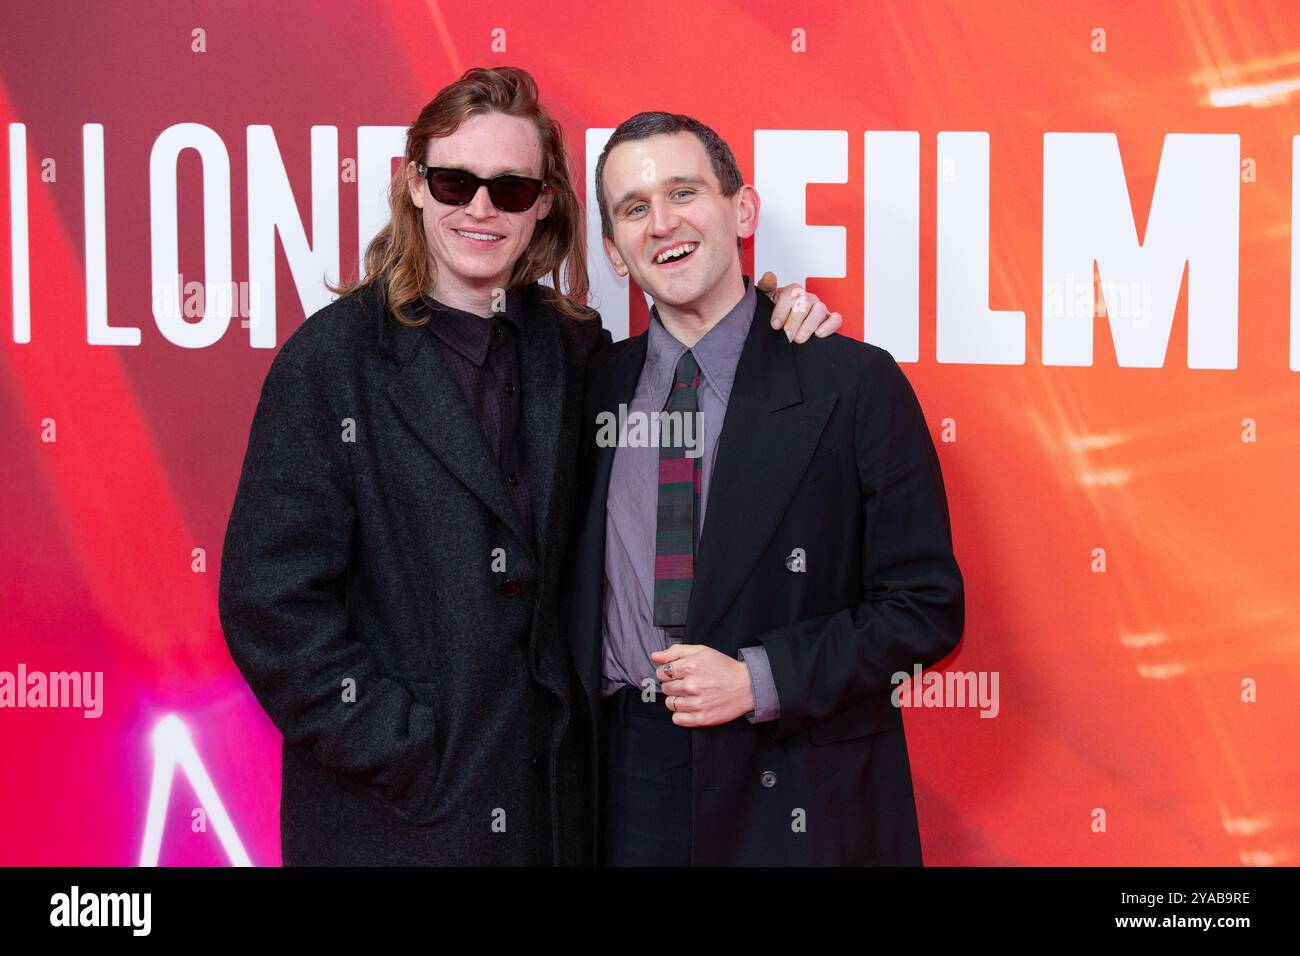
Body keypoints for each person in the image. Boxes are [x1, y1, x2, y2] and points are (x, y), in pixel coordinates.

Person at [216, 67, 841, 866]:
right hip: (395, 823)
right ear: (412, 186)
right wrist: (402, 747)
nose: (481, 208)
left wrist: (778, 319)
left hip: (555, 819)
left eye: (510, 189)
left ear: (543, 202)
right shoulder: (333, 362)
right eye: (455, 181)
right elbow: (268, 603)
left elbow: (700, 353)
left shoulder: (574, 349)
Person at [567, 111, 965, 865]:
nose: (662, 224)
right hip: (620, 787)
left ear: (740, 211)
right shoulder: (584, 388)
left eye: (684, 192)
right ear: (616, 253)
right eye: (634, 208)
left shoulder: (851, 382)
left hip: (796, 786)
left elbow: (925, 607)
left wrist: (760, 679)